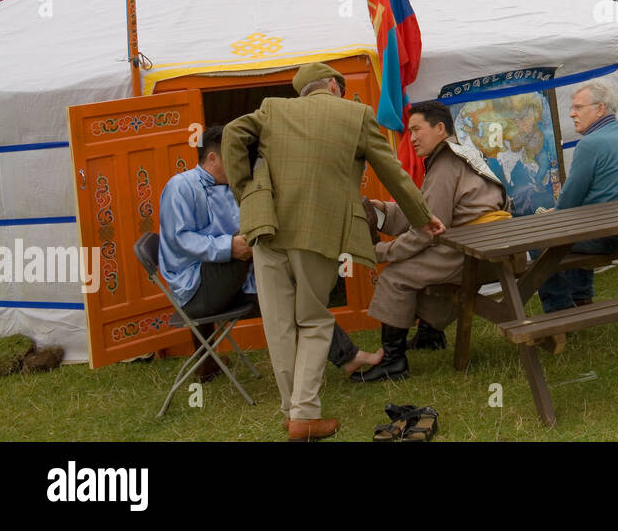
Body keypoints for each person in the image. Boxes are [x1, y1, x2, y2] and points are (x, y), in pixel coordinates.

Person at [222, 62, 441, 442]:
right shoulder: (356, 114)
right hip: (317, 231)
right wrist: (422, 217)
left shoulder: (273, 109)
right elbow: (391, 170)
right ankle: (305, 416)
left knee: (279, 325)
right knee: (313, 320)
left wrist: (246, 192)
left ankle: (292, 410)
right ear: (334, 87)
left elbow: (232, 132)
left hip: (266, 229)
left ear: (303, 91)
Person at [159, 125, 382, 386]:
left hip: (232, 272)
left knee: (290, 289)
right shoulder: (181, 186)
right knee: (285, 284)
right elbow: (180, 239)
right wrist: (229, 246)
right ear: (212, 159)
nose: (239, 164)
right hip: (197, 285)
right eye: (234, 158)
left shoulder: (232, 186)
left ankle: (344, 355)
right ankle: (343, 357)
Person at [352, 100, 510, 383]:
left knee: (397, 276)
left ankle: (393, 362)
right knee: (417, 268)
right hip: (485, 244)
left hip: (473, 250)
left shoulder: (446, 163)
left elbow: (428, 229)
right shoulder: (456, 154)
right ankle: (430, 335)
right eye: (409, 132)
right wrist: (383, 212)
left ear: (439, 128)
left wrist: (381, 252)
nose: (411, 138)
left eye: (416, 130)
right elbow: (429, 214)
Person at [537, 80, 618, 313]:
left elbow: (568, 202)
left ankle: (560, 312)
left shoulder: (590, 144)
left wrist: (552, 214)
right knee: (577, 225)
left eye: (578, 107)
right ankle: (581, 298)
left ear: (600, 109)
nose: (571, 113)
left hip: (616, 235)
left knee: (541, 239)